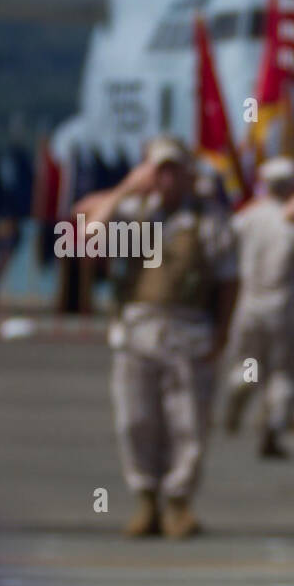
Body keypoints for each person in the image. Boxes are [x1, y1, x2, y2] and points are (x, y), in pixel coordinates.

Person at [77, 136, 238, 538]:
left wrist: (222, 333)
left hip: (188, 329)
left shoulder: (208, 219)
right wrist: (126, 188)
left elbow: (228, 281)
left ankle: (179, 503)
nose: (167, 178)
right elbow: (85, 240)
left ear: (188, 173)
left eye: (174, 169)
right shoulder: (135, 215)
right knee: (136, 419)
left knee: (189, 424)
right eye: (159, 169)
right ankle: (146, 498)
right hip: (137, 330)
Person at [220, 156, 294, 458]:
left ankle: (240, 385)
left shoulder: (247, 218)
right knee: (284, 373)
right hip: (286, 307)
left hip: (250, 303)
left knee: (249, 363)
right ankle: (274, 427)